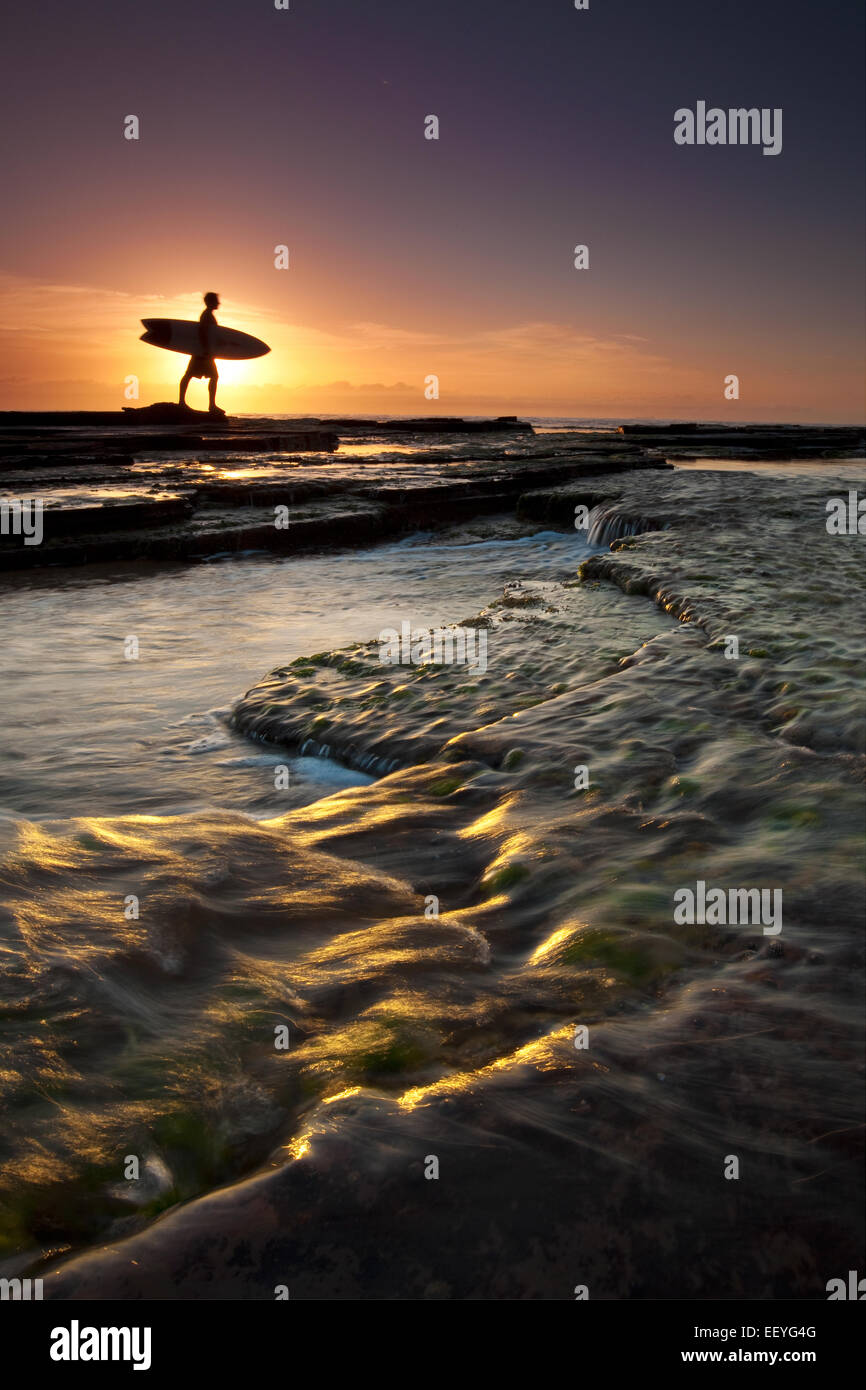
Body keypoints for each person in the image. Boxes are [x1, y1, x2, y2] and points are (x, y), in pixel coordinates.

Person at [178, 292, 224, 413]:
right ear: (211, 302)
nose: (219, 303)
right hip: (203, 353)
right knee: (209, 376)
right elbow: (202, 332)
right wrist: (206, 349)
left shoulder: (208, 315)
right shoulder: (207, 315)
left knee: (190, 375)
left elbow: (210, 334)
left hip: (203, 351)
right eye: (216, 300)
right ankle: (210, 406)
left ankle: (183, 403)